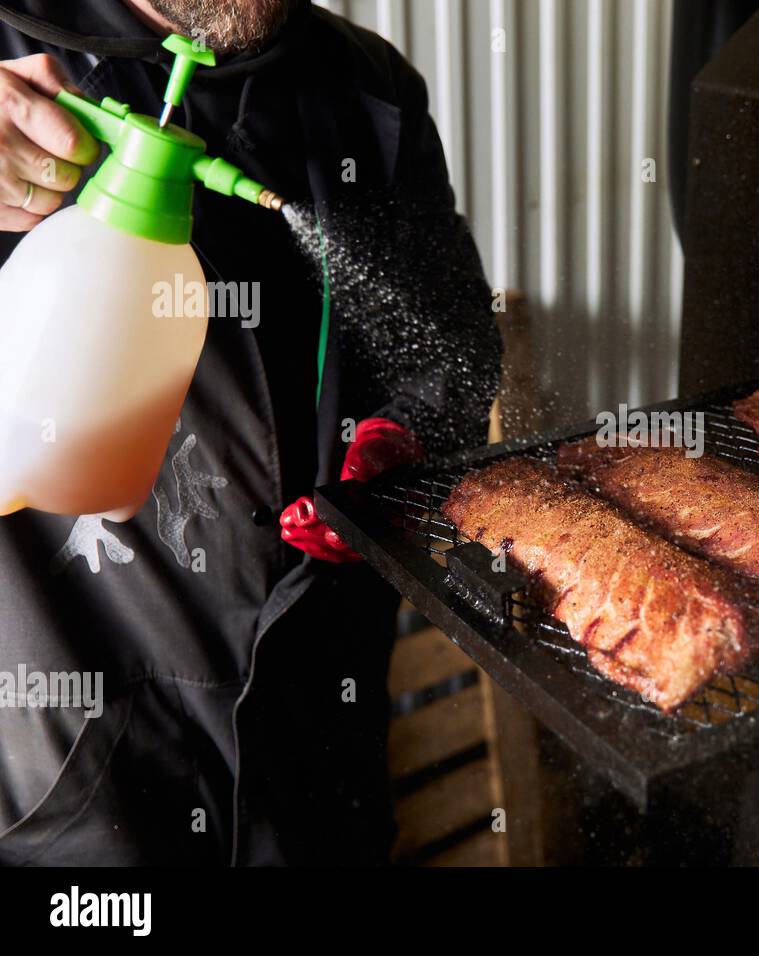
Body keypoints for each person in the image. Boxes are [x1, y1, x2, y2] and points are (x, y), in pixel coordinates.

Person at [0, 0, 501, 865]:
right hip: (78, 795)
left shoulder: (371, 89)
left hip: (321, 770)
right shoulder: (16, 69)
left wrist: (400, 437)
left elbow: (450, 346)